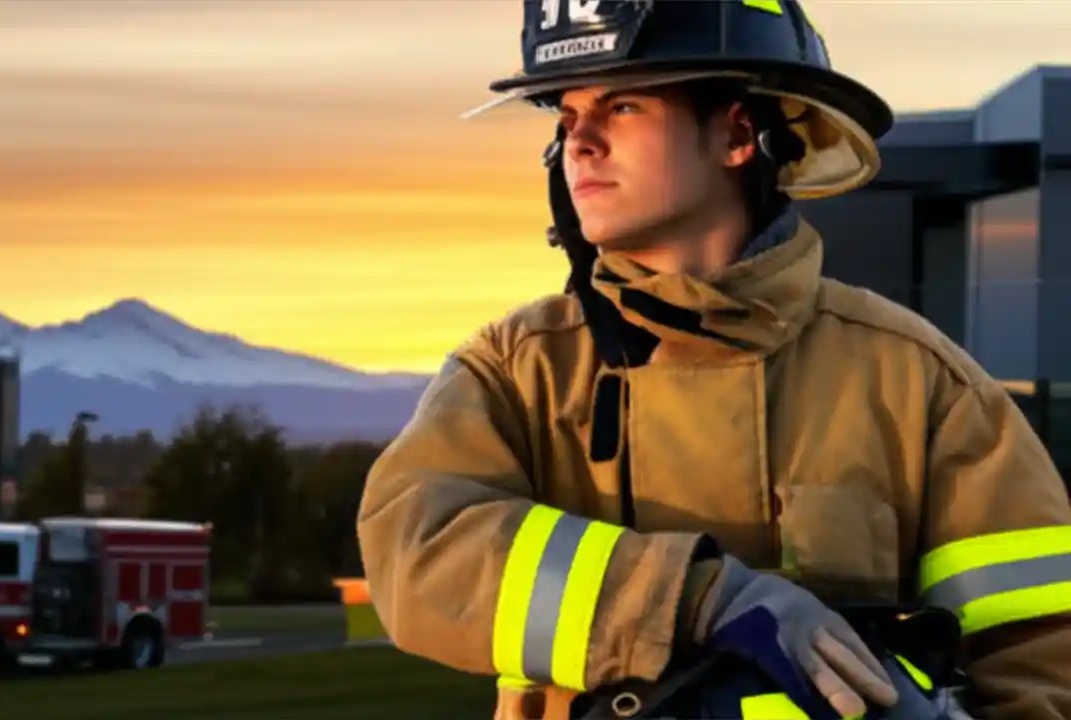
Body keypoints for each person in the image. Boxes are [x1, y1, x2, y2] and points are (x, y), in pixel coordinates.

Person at [355, 2, 1071, 719]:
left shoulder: (918, 381)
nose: (581, 142)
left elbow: (1042, 658)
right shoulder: (521, 371)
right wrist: (695, 598)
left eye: (623, 105)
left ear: (735, 133)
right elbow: (416, 554)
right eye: (566, 116)